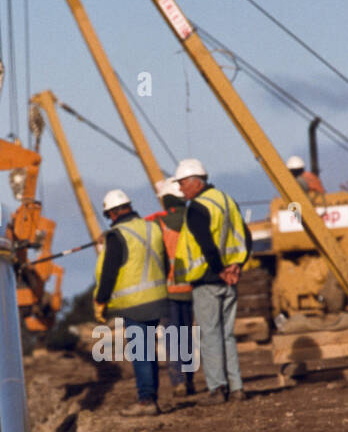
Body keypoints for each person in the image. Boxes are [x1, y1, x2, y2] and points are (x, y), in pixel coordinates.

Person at [173, 158, 251, 403]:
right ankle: (237, 387)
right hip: (230, 279)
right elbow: (246, 237)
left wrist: (218, 270)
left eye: (182, 183)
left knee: (210, 335)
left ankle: (217, 389)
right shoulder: (227, 201)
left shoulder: (197, 207)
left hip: (209, 280)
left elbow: (206, 245)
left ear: (196, 182)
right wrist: (237, 265)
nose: (180, 189)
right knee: (227, 334)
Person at [93, 189, 169, 418]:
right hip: (156, 298)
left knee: (140, 352)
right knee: (148, 350)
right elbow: (164, 260)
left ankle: (146, 401)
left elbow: (109, 272)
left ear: (113, 213)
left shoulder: (117, 235)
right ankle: (151, 397)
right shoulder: (152, 227)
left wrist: (101, 300)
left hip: (134, 302)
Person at [147, 178, 196, 399]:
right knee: (187, 336)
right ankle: (190, 379)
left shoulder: (160, 223)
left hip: (168, 289)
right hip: (191, 286)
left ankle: (178, 382)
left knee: (172, 337)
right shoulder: (193, 219)